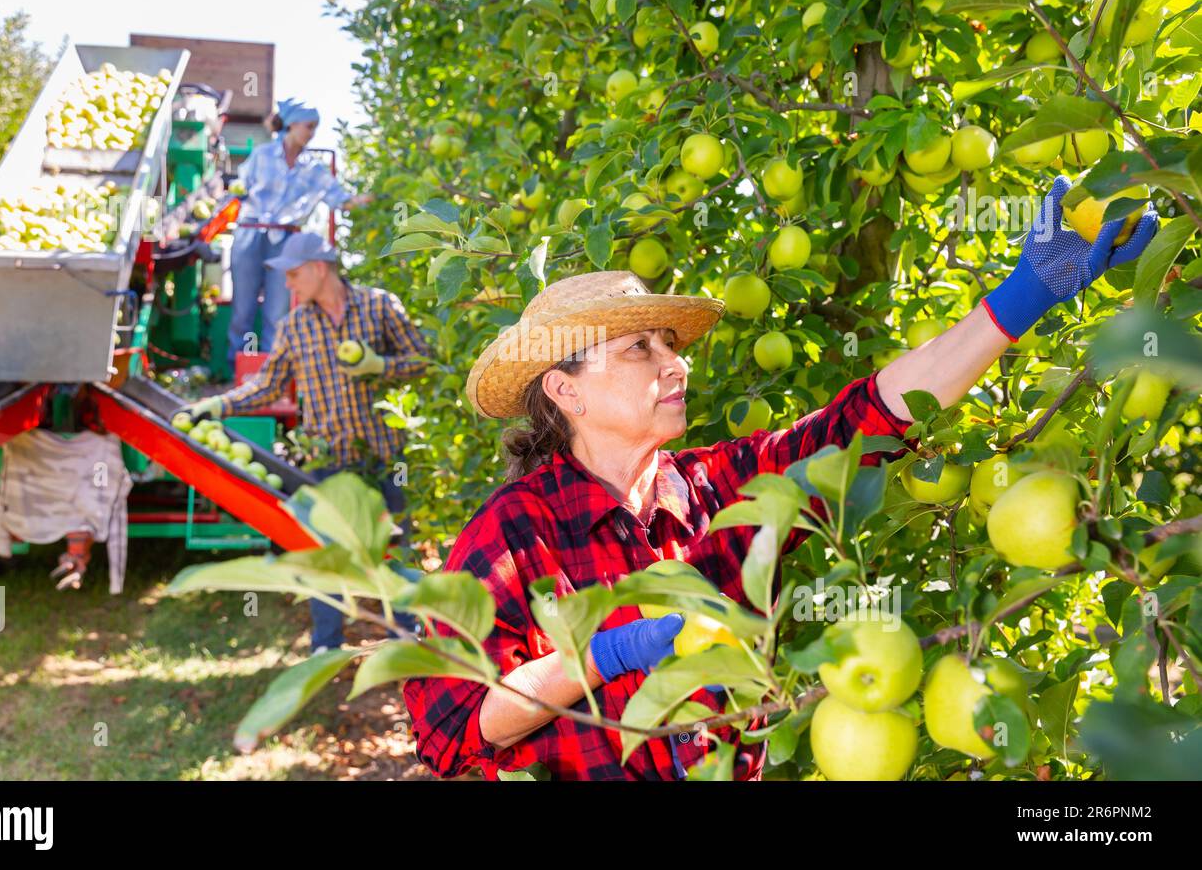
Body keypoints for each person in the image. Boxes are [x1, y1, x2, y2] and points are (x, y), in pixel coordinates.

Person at [401, 178, 1160, 781]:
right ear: (564, 391)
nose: (678, 363)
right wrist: (598, 659)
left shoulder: (718, 493)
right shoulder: (512, 536)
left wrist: (1026, 294)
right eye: (640, 349)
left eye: (673, 344)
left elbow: (869, 417)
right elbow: (450, 727)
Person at [190, 232, 432, 650]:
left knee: (399, 546)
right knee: (326, 555)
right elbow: (267, 387)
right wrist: (218, 406)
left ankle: (409, 639)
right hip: (330, 460)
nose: (287, 284)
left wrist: (380, 365)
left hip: (386, 455)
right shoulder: (295, 326)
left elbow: (421, 361)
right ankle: (326, 644)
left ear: (320, 268)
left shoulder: (379, 305)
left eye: (293, 273)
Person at [227, 97, 370, 370]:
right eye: (309, 126)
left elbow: (339, 198)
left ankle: (271, 373)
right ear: (292, 124)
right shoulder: (262, 155)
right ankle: (237, 368)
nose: (312, 132)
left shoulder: (313, 169)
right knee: (242, 308)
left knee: (277, 312)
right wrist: (236, 190)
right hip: (251, 234)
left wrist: (366, 201)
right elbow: (240, 185)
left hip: (285, 242)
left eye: (315, 128)